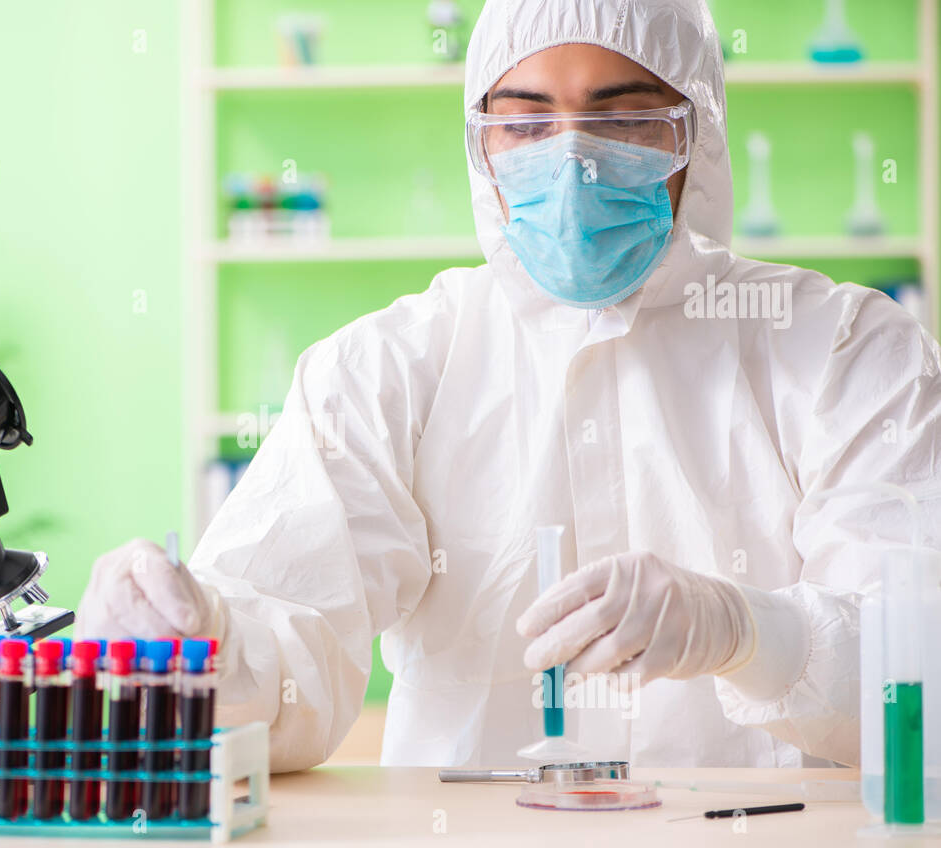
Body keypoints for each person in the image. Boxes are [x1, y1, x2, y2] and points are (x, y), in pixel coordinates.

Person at [76, 0, 941, 772]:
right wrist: (194, 642)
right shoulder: (388, 370)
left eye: (625, 119)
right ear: (480, 143)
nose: (573, 168)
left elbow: (922, 686)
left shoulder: (847, 352)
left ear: (698, 135)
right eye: (527, 125)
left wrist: (751, 631)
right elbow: (290, 661)